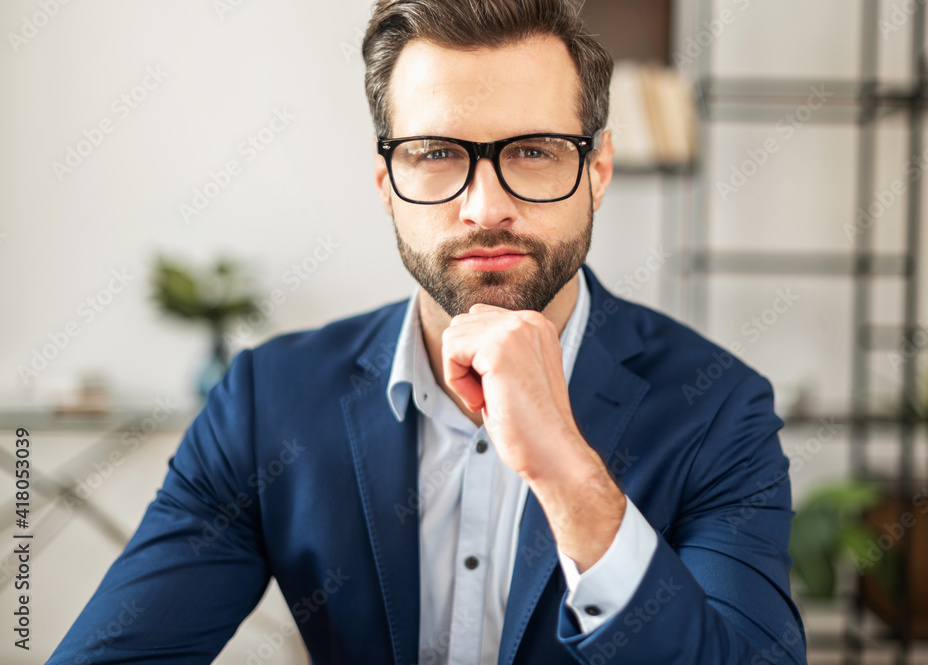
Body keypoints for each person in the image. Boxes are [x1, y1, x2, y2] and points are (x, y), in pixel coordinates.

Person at [47, 1, 806, 663]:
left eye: (534, 151)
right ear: (388, 185)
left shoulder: (718, 410)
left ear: (598, 169)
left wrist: (573, 479)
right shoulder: (264, 402)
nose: (484, 208)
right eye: (437, 154)